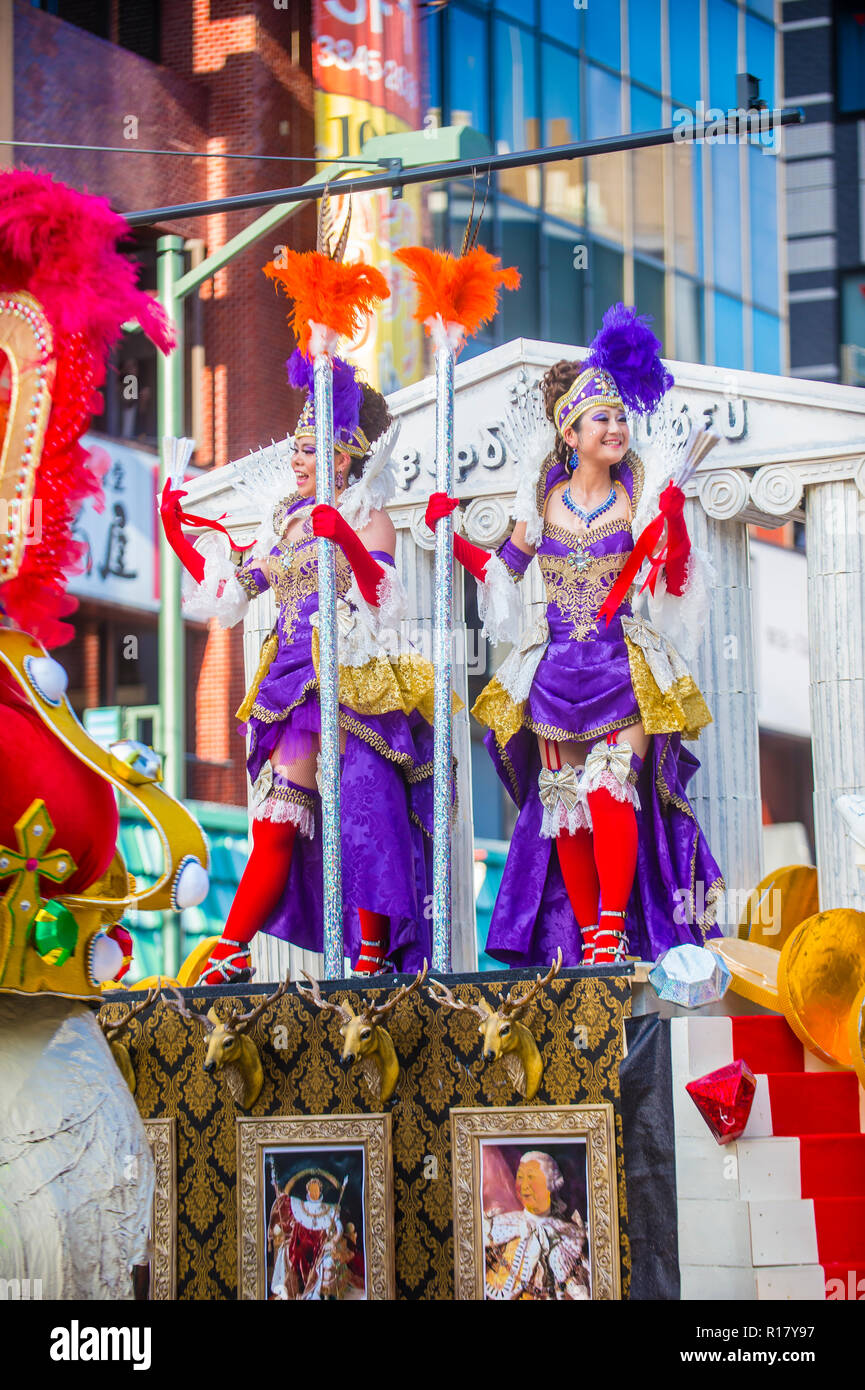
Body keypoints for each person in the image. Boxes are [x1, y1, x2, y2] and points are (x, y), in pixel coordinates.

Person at [427, 304, 724, 966]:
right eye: (602, 417)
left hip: (622, 665)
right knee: (562, 803)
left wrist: (671, 527)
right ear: (569, 431)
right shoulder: (541, 497)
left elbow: (674, 584)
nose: (616, 427)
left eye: (621, 416)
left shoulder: (643, 492)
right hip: (553, 672)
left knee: (608, 789)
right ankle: (591, 933)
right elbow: (503, 571)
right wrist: (450, 537)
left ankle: (612, 929)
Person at [161, 353, 438, 981]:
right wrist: (176, 532)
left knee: (363, 811)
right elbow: (236, 589)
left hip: (354, 680)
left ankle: (371, 957)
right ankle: (231, 952)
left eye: (308, 450)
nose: (295, 459)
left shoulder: (370, 517)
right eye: (295, 448)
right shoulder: (284, 519)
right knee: (276, 823)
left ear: (342, 457)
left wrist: (342, 537)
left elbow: (383, 598)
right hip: (292, 687)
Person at [484, 1150, 590, 1300]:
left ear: (550, 1184)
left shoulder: (570, 1237)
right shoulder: (499, 1228)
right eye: (520, 1177)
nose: (523, 1185)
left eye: (531, 1177)